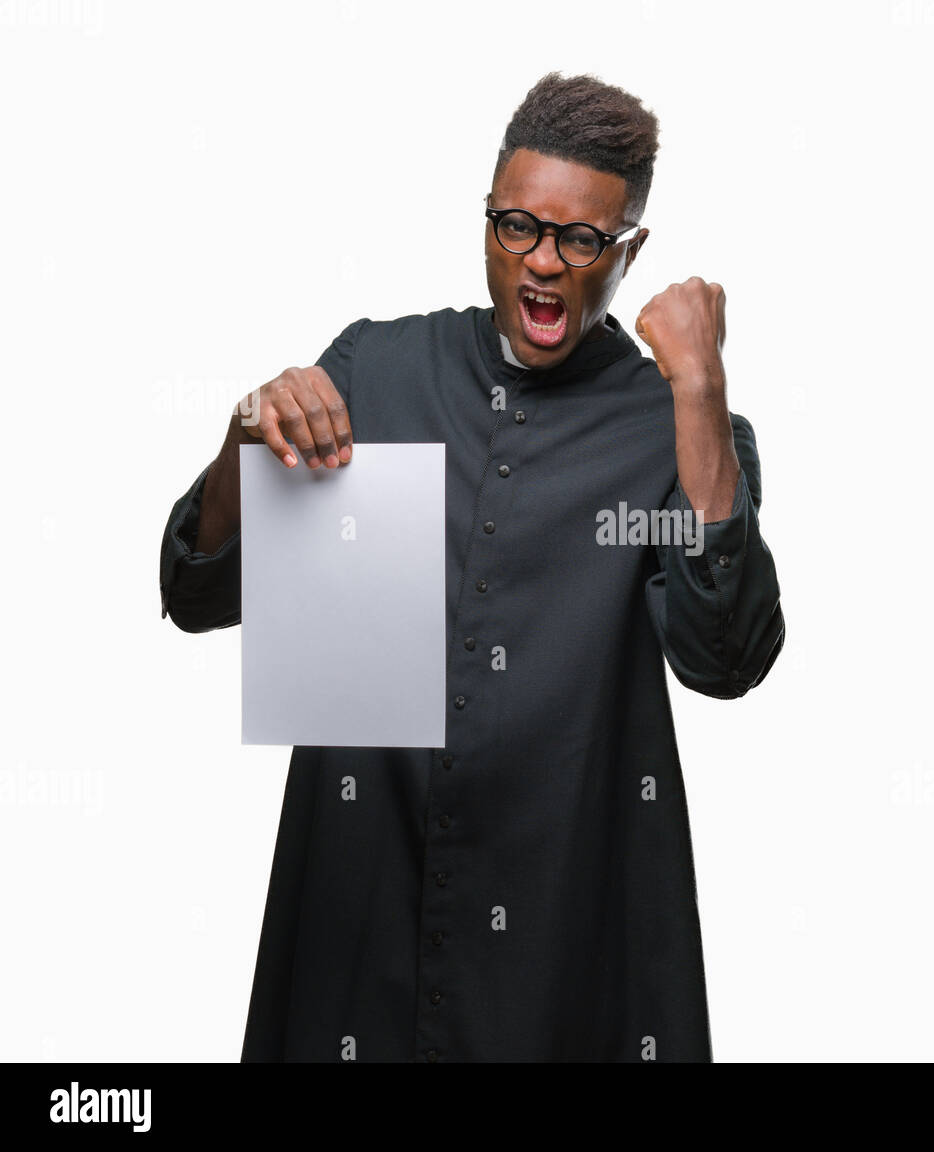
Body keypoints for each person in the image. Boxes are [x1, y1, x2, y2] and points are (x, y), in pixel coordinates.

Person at [159, 71, 785, 1063]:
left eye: (580, 240)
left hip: (563, 943)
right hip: (354, 927)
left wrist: (700, 389)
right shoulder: (375, 370)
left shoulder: (678, 432)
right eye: (514, 226)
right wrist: (244, 438)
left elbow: (724, 657)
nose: (542, 263)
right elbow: (195, 594)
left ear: (628, 250)